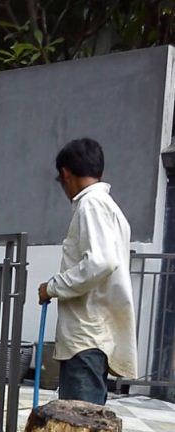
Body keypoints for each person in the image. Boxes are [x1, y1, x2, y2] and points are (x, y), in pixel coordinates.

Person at [38, 138, 137, 405]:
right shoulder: (109, 207)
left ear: (65, 173)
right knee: (84, 422)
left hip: (86, 336)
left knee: (79, 425)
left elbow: (100, 262)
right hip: (94, 334)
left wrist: (52, 287)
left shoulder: (91, 205)